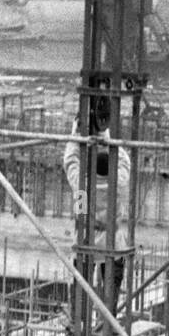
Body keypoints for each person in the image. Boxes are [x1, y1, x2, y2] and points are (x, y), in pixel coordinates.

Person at [63, 105, 130, 315]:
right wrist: (104, 134)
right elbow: (124, 159)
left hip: (87, 239)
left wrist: (77, 135)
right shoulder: (118, 182)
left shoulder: (82, 184)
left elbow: (71, 160)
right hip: (114, 242)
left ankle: (78, 319)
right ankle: (106, 324)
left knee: (81, 290)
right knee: (110, 297)